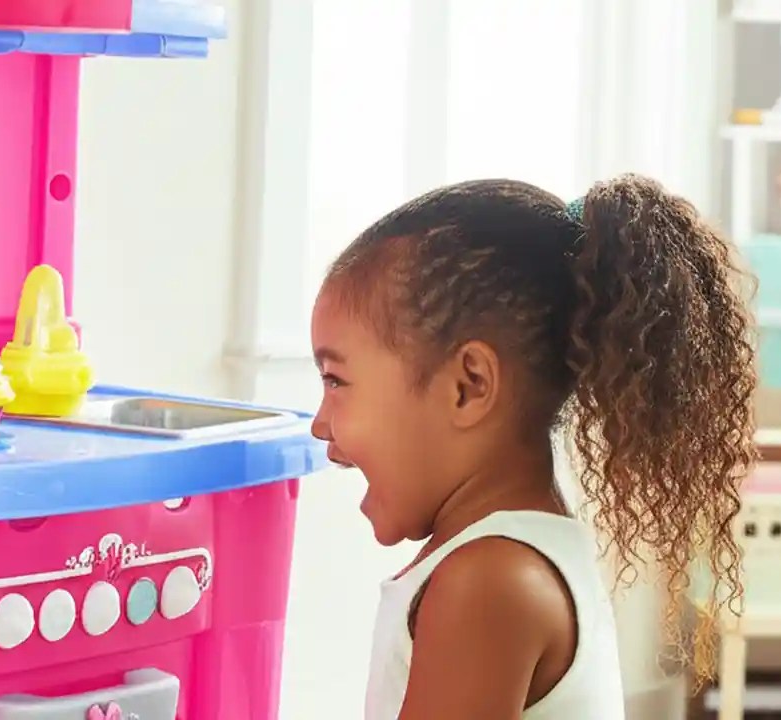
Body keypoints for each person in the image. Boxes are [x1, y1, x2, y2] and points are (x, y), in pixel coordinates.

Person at [310, 175, 757, 719]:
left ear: (468, 385)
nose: (320, 426)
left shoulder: (488, 582)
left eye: (336, 381)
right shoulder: (512, 555)